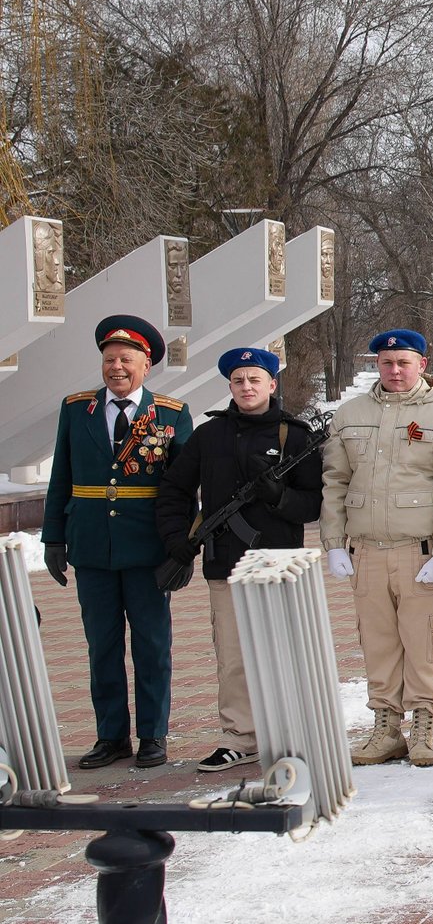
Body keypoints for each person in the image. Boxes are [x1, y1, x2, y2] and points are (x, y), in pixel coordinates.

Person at [155, 346, 323, 773]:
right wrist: (178, 538)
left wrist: (280, 497)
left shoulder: (295, 437)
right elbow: (174, 489)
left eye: (254, 379)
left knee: (284, 650)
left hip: (278, 563)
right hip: (225, 560)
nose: (246, 387)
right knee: (233, 655)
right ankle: (239, 736)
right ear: (229, 386)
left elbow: (315, 504)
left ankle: (291, 731)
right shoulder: (208, 436)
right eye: (238, 380)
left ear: (271, 384)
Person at [42, 315, 194, 770]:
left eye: (126, 360)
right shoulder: (76, 409)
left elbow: (183, 489)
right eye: (110, 360)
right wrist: (53, 538)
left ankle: (152, 735)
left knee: (151, 644)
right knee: (101, 646)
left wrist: (181, 547)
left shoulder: (169, 413)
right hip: (91, 546)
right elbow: (60, 478)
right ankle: (111, 736)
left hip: (148, 548)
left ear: (146, 365)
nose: (117, 368)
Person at [320, 329, 433, 767]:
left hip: (419, 552)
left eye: (403, 363)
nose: (394, 370)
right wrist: (334, 543)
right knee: (378, 642)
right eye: (386, 363)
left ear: (422, 365)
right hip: (366, 551)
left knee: (423, 641)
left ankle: (424, 725)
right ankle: (386, 729)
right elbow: (334, 483)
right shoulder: (349, 415)